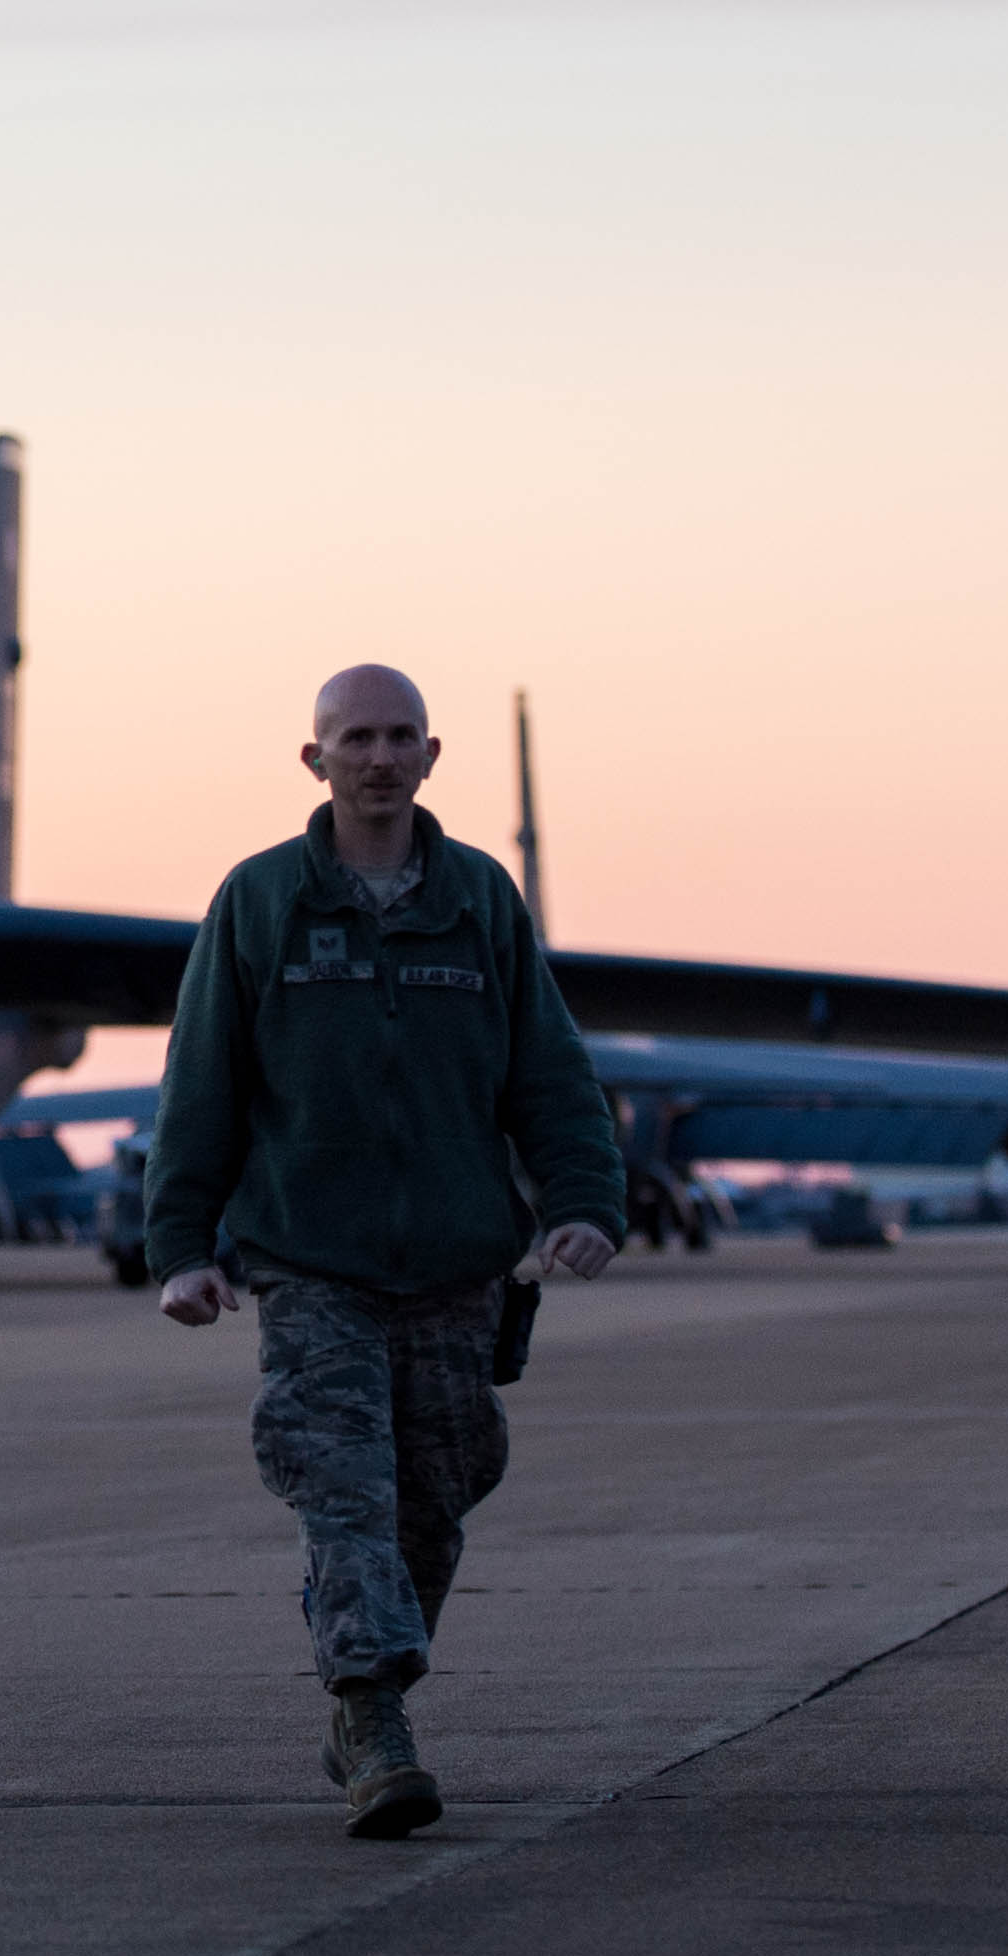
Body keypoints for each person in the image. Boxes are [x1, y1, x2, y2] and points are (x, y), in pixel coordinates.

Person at [146, 663, 624, 1839]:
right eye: (353, 736)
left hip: (459, 1265)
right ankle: (371, 1719)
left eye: (397, 735)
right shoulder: (260, 903)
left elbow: (547, 1070)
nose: (376, 755)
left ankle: (369, 1689)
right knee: (343, 1488)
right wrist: (179, 1246)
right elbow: (200, 1085)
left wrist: (584, 1200)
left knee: (435, 1499)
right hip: (310, 1261)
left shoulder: (478, 900)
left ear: (429, 754)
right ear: (313, 759)